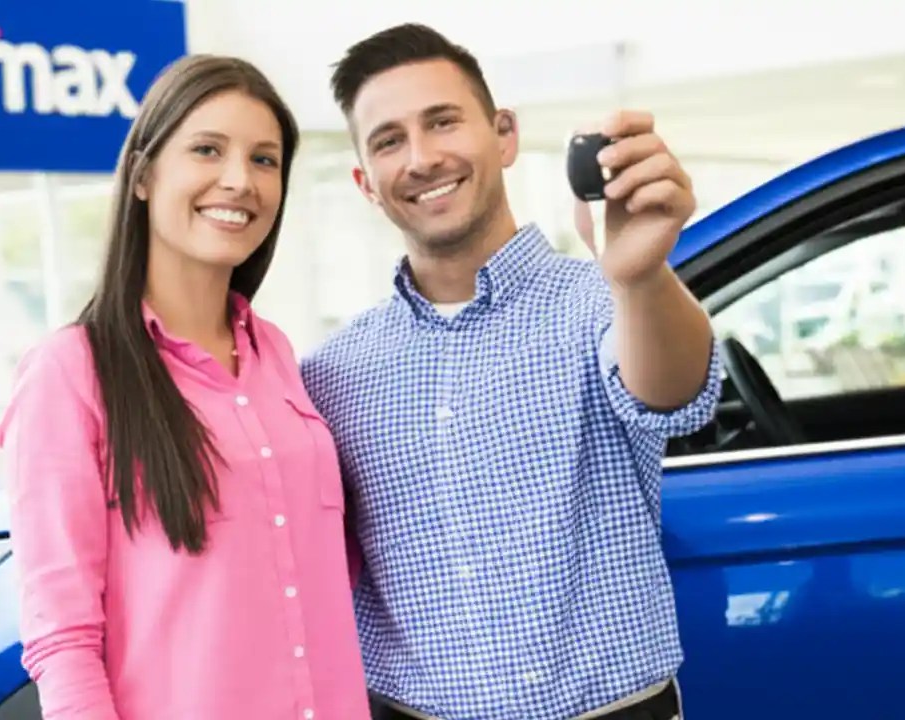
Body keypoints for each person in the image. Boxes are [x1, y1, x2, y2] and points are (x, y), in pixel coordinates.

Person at [300, 23, 723, 720]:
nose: (423, 157)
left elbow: (676, 399)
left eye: (442, 122)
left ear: (503, 135)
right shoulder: (331, 374)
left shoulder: (606, 301)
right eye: (389, 140)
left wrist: (641, 277)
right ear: (365, 183)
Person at [0, 54, 371, 720]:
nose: (239, 180)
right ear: (142, 176)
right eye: (207, 149)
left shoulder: (278, 354)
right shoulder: (69, 374)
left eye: (264, 160)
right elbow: (62, 638)